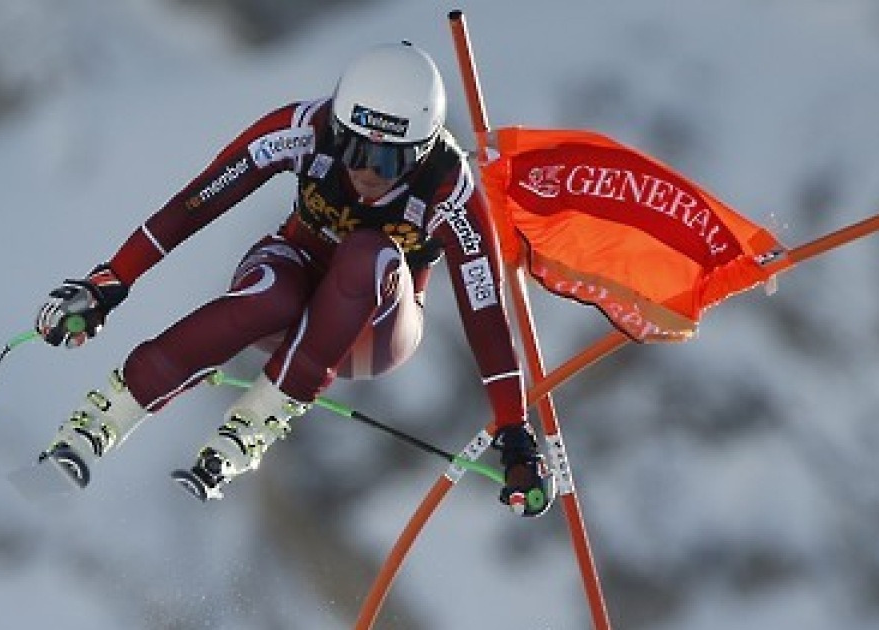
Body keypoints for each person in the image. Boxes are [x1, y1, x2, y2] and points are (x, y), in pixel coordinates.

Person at [33, 41, 556, 517]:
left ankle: (254, 424)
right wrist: (110, 282)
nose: (367, 172)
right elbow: (197, 202)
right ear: (337, 128)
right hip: (290, 278)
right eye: (354, 149)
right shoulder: (304, 128)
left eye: (389, 159)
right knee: (270, 296)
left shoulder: (451, 190)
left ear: (422, 150)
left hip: (372, 331)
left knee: (369, 252)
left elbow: (485, 313)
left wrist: (515, 432)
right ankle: (101, 421)